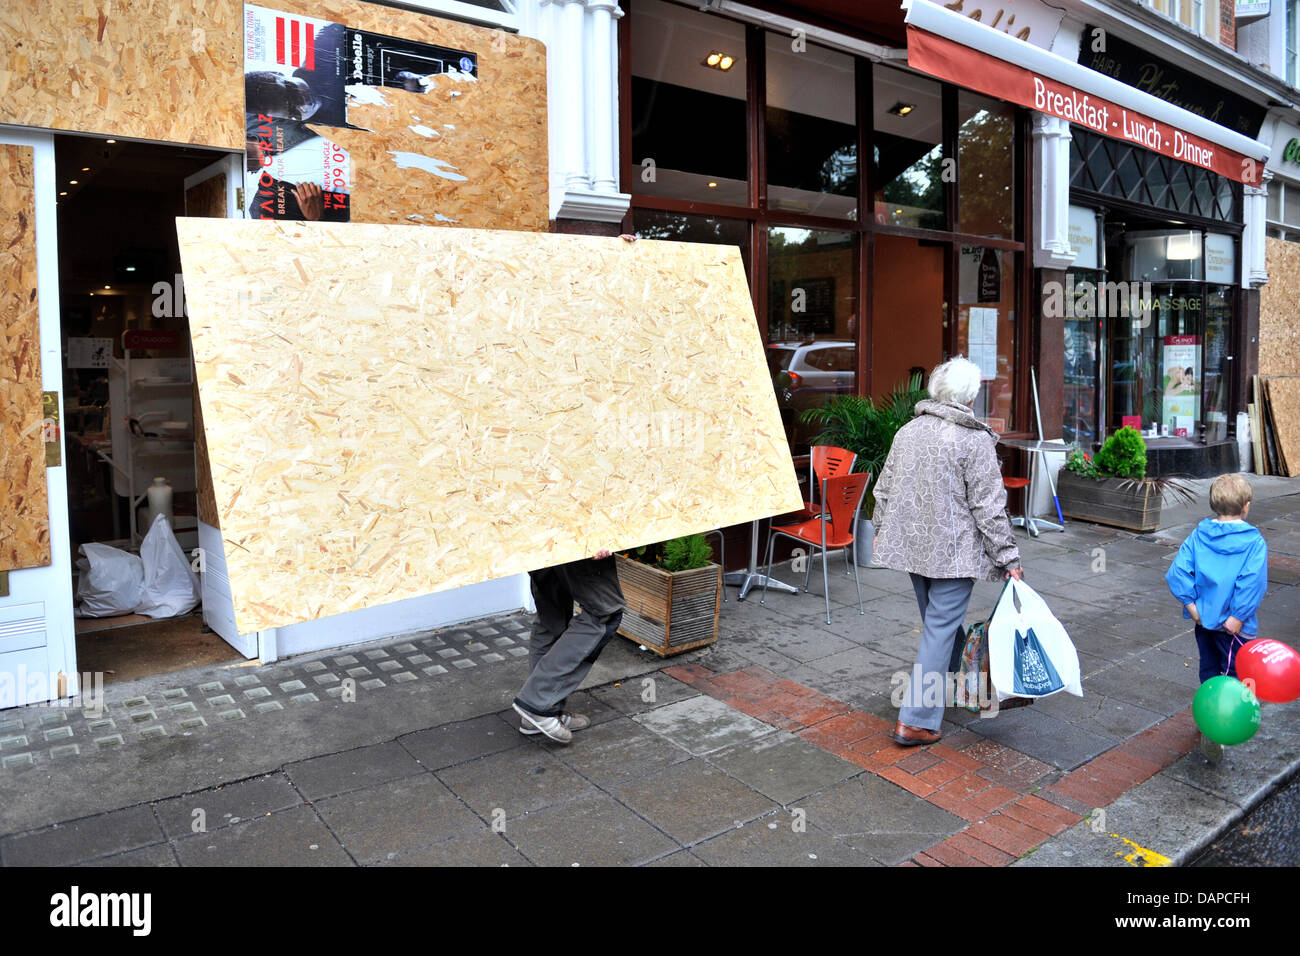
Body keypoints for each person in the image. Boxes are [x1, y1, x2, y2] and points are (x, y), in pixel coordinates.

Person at [872, 356, 1023, 746]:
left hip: (913, 550)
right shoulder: (973, 440)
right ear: (970, 397)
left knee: (939, 626)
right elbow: (989, 507)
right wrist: (1009, 558)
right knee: (939, 629)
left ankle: (951, 684)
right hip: (953, 556)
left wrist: (881, 531)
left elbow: (884, 489)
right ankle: (916, 720)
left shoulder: (908, 431)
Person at [1165, 473, 1268, 761]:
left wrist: (1191, 605)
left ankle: (1207, 715)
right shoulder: (1253, 542)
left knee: (1209, 668)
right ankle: (1218, 728)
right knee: (1232, 674)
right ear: (1246, 506)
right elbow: (1252, 582)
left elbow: (1178, 571)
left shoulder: (1199, 535)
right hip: (1235, 626)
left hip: (1204, 621)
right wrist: (1238, 615)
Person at [512, 550, 626, 744]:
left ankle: (542, 712)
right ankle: (536, 702)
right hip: (577, 531)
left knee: (552, 616)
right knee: (604, 614)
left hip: (538, 534)